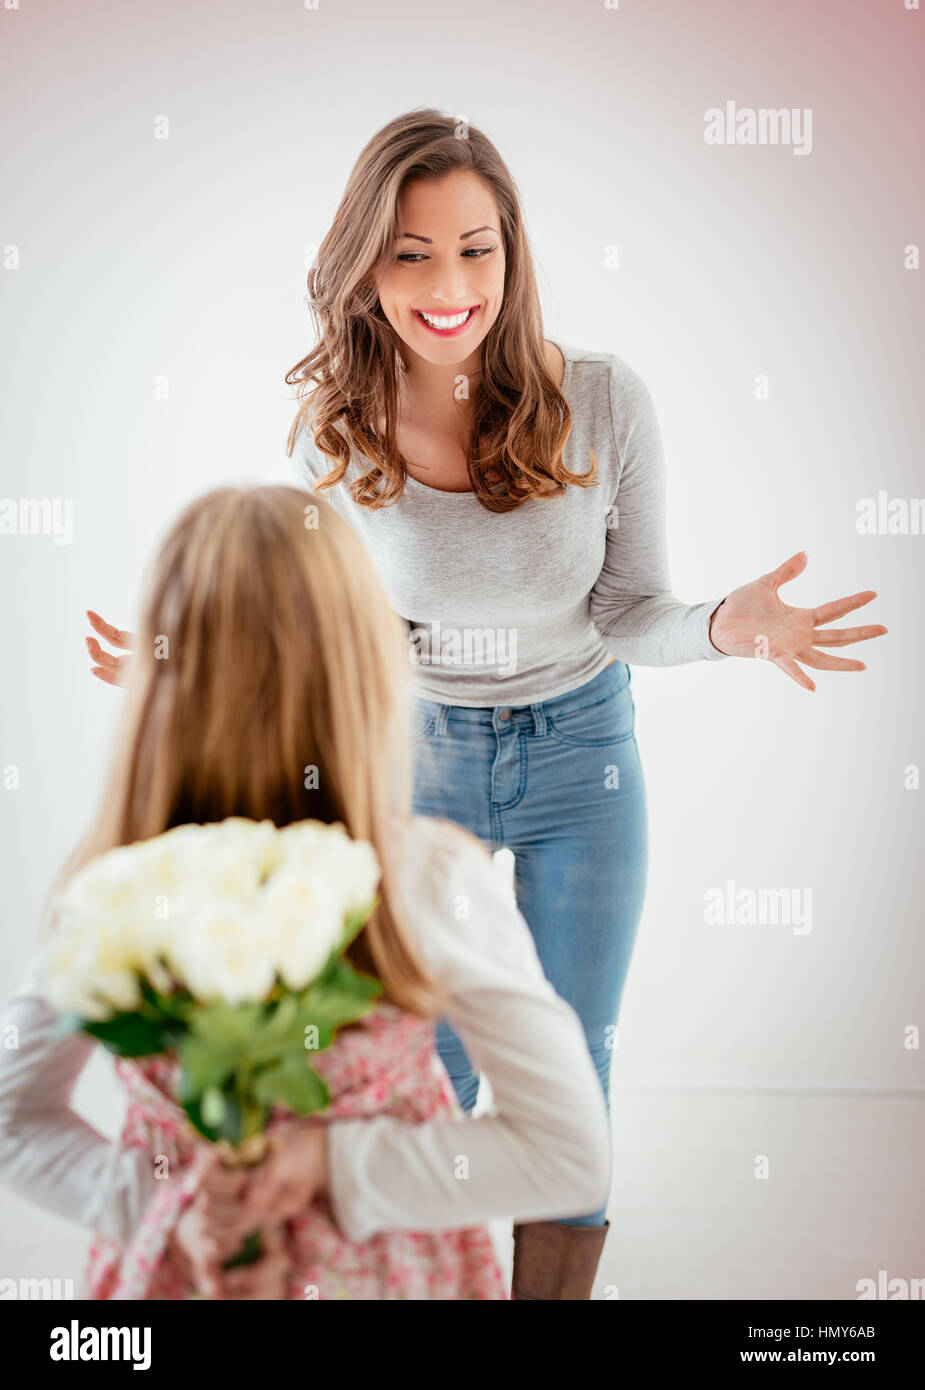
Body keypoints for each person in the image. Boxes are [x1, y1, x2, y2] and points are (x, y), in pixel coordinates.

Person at [278, 107, 887, 1298]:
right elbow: (327, 632)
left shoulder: (603, 403)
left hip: (582, 759)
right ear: (364, 265)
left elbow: (626, 610)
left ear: (514, 250)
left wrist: (720, 625)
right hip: (421, 764)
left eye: (477, 247)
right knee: (426, 1059)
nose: (451, 283)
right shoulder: (331, 435)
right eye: (411, 253)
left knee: (569, 1062)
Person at [0, 485, 612, 1301]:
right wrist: (335, 1167)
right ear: (366, 673)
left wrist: (174, 1210)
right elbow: (570, 1156)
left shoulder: (115, 889)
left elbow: (13, 1120)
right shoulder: (424, 880)